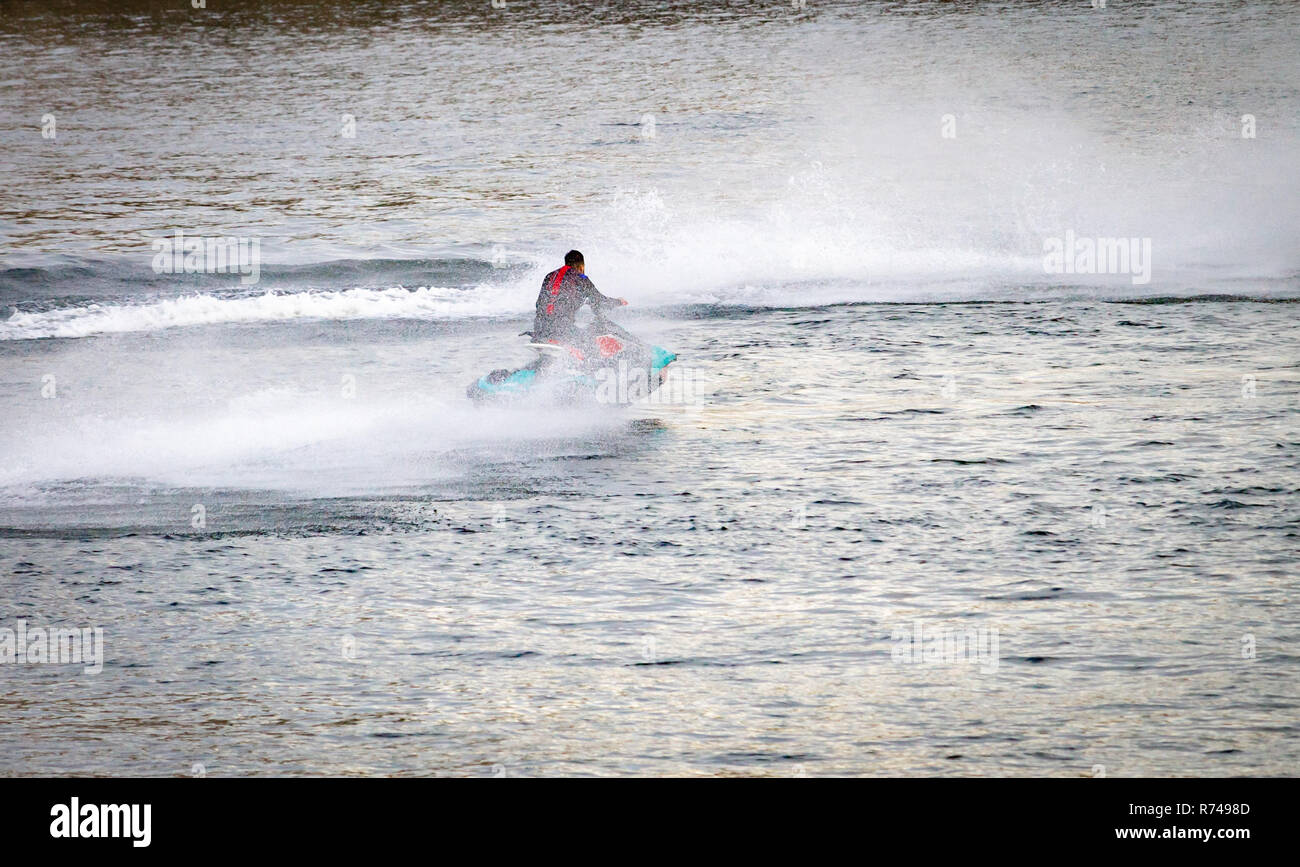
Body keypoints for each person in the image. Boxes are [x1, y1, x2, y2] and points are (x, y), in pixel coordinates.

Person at [532, 250, 627, 352]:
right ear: (581, 265)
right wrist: (619, 302)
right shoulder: (580, 278)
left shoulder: (549, 276)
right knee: (591, 344)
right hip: (562, 332)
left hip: (540, 329)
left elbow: (539, 304)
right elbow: (600, 301)